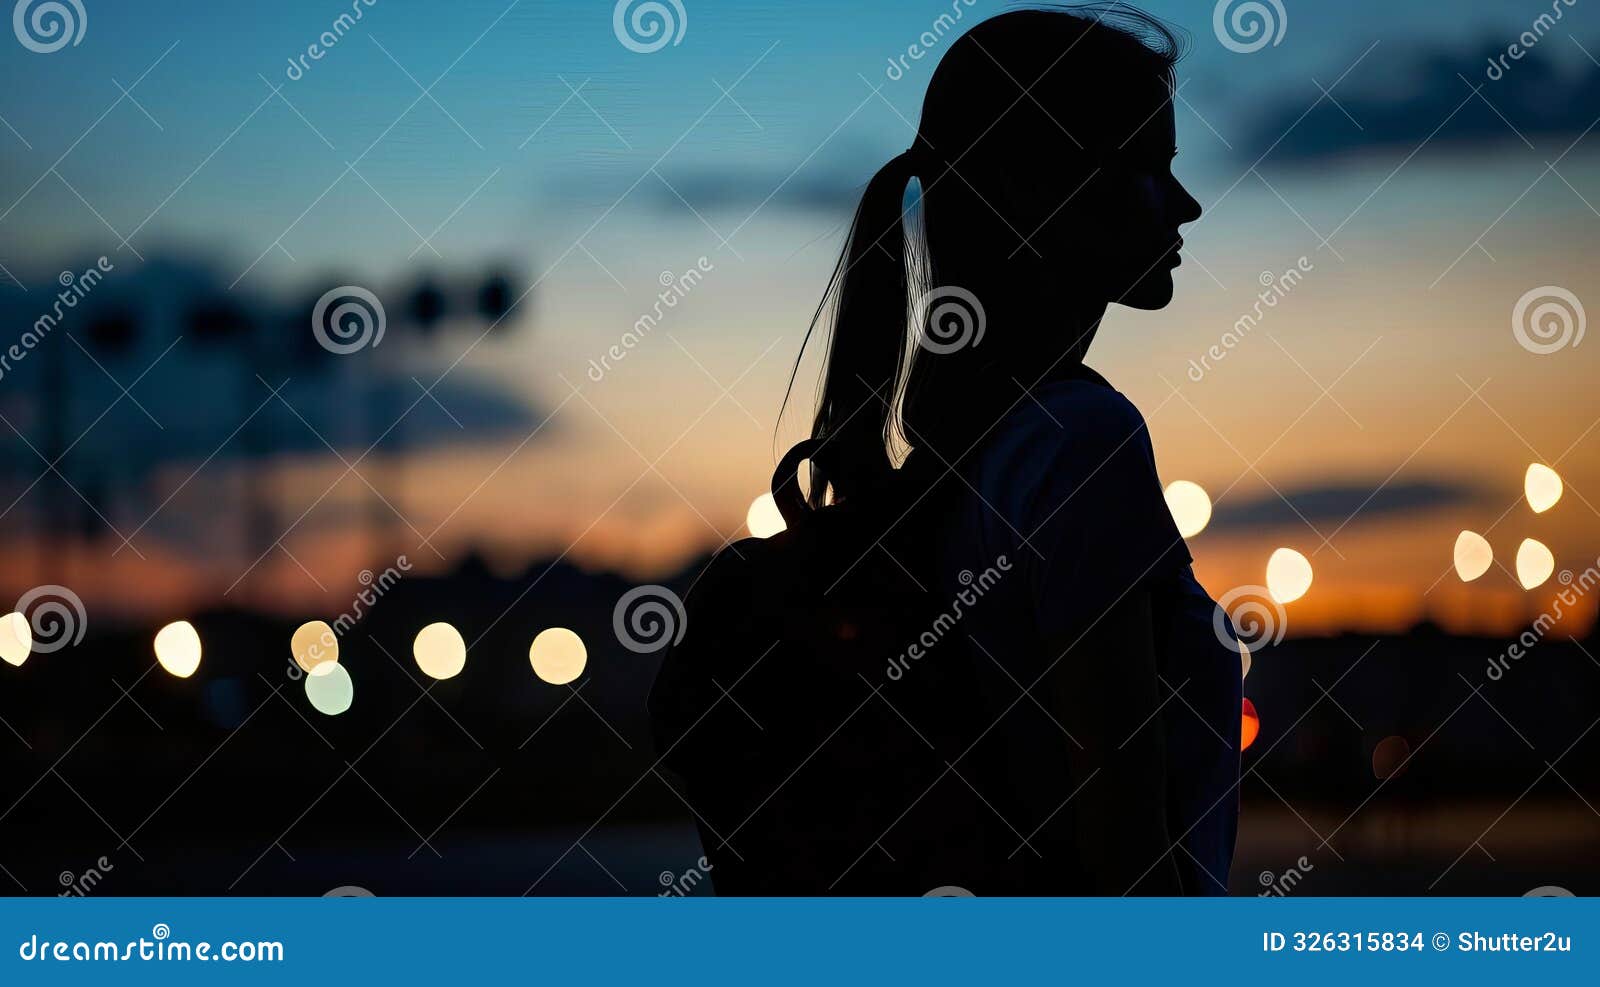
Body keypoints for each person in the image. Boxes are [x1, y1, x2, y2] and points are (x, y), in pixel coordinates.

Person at [786, 4, 1240, 894]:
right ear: (1045, 191)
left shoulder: (971, 457)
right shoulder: (1082, 444)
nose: (1185, 204)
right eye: (1149, 166)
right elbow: (1127, 860)